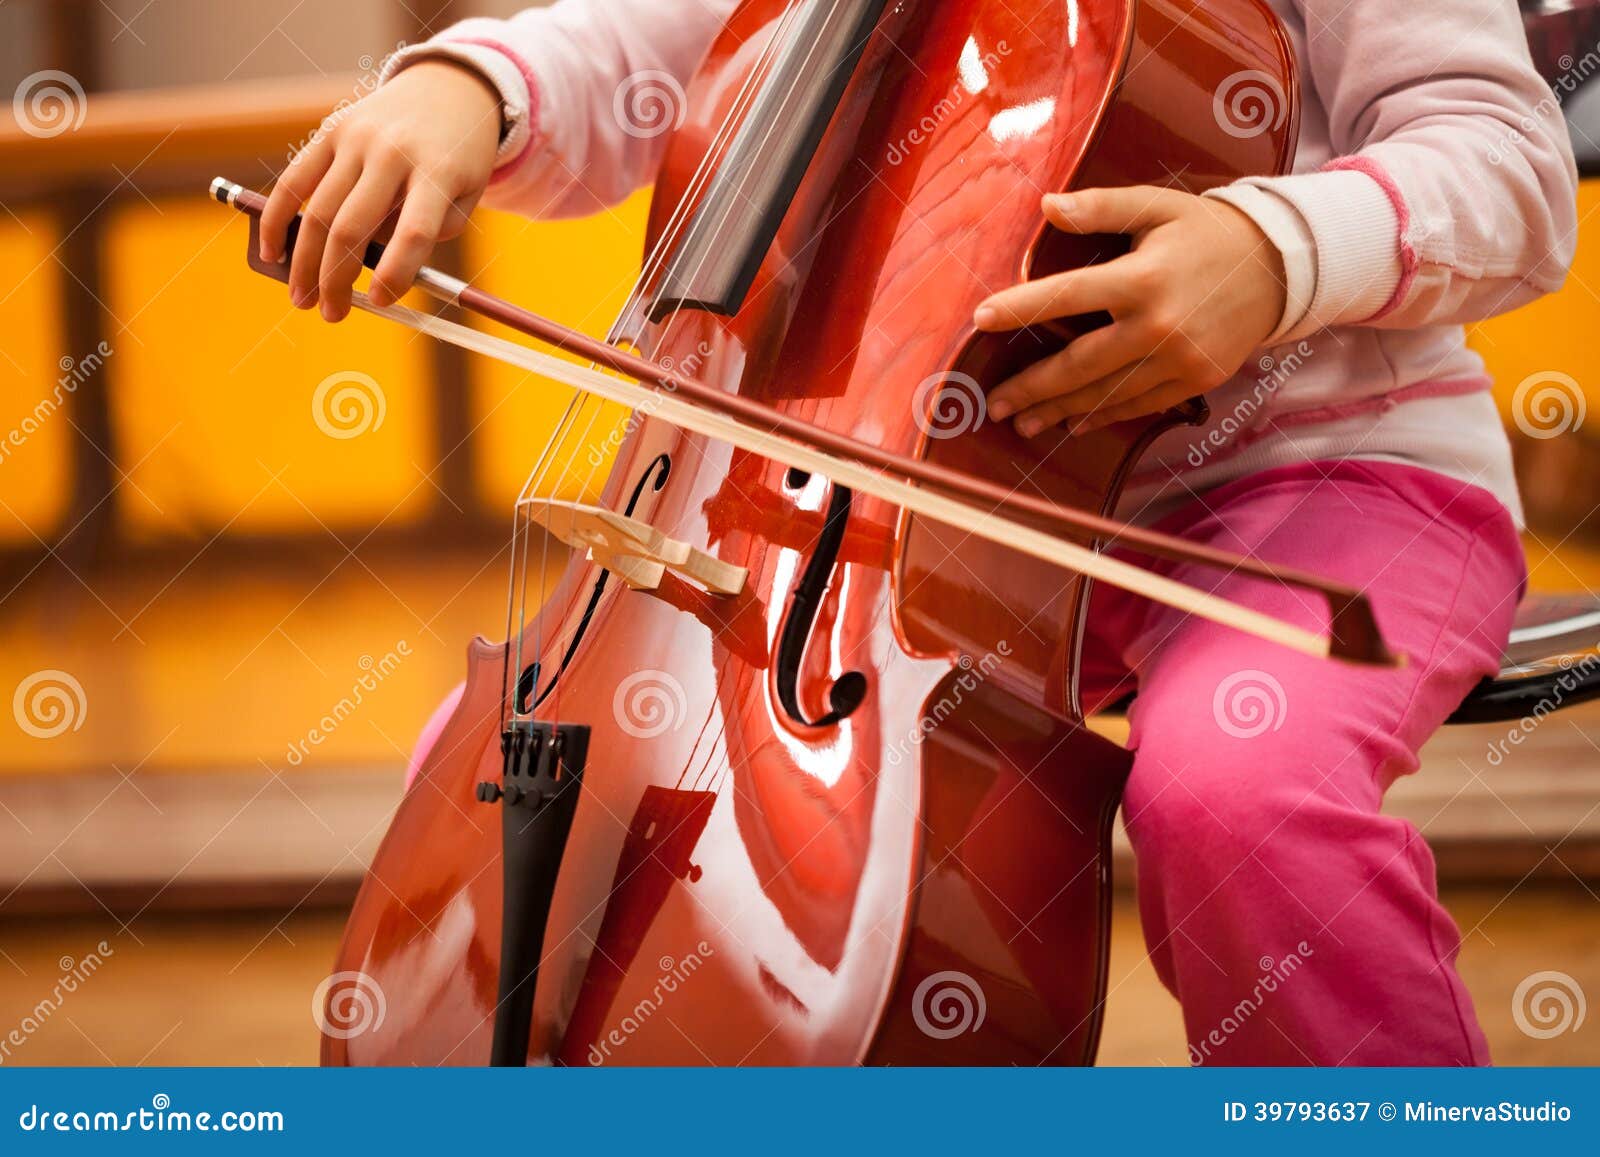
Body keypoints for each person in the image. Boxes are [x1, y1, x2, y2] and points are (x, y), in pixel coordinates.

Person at [260, 0, 1579, 1065]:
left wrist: (1276, 246)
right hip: (918, 526)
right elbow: (634, 46)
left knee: (1237, 790)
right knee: (505, 765)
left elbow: (1506, 166)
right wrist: (469, 88)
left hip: (1310, 493)